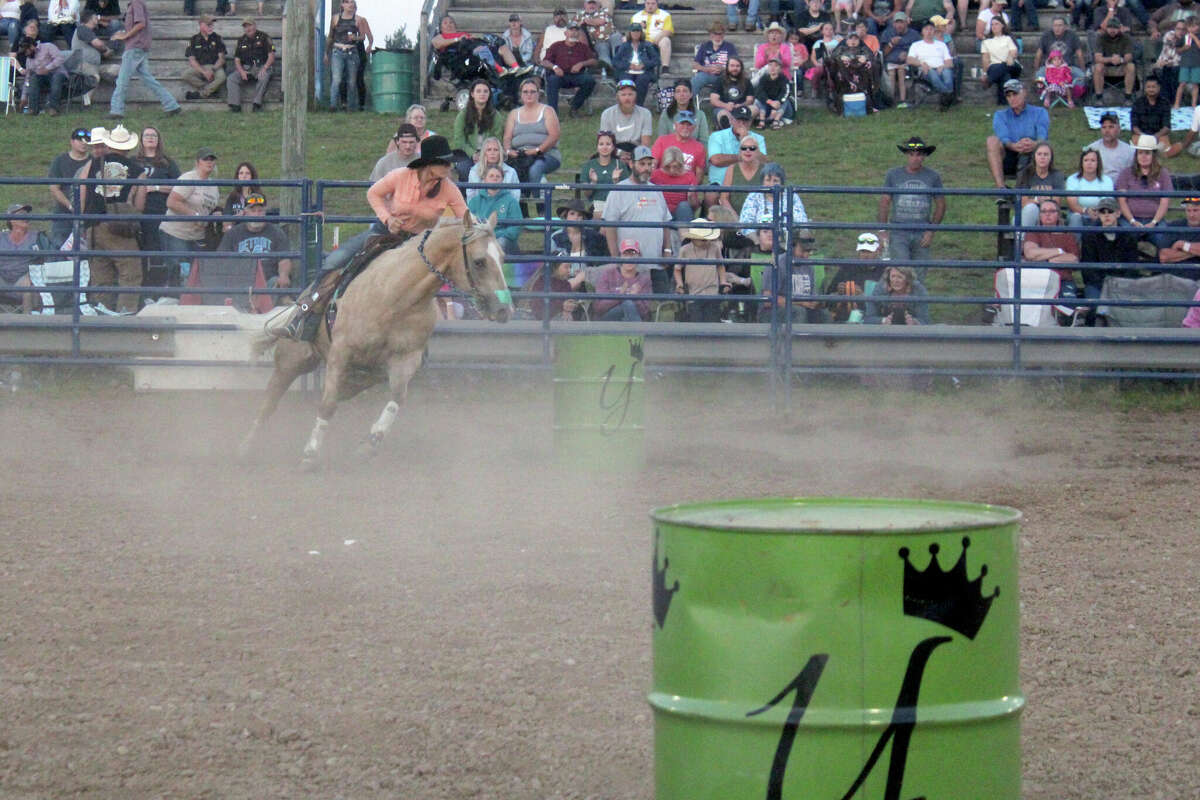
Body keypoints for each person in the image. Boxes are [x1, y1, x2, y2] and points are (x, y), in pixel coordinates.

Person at [283, 136, 468, 341]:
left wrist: (480, 229)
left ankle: (415, 340)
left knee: (421, 286)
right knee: (336, 261)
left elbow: (465, 216)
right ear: (429, 165)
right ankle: (305, 314)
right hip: (385, 233)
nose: (449, 166)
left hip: (417, 243)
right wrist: (388, 219)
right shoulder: (400, 176)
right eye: (444, 162)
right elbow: (373, 193)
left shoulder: (449, 188)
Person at [76, 125, 148, 313]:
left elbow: (82, 191)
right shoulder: (137, 170)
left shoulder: (92, 164)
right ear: (128, 147)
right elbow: (139, 205)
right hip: (119, 225)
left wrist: (84, 218)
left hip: (93, 224)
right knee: (130, 272)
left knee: (101, 274)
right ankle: (126, 313)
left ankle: (100, 314)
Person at [200, 192, 293, 309]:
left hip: (267, 282)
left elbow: (284, 259)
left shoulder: (276, 232)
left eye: (260, 211)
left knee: (276, 281)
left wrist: (284, 275)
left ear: (265, 212)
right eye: (253, 211)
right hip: (240, 282)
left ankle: (258, 308)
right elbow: (222, 260)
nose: (257, 214)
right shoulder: (233, 233)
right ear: (246, 212)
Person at [602, 145, 671, 293]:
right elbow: (610, 226)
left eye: (649, 164)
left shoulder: (657, 191)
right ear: (631, 164)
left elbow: (665, 223)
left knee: (665, 306)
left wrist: (667, 249)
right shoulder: (619, 190)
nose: (646, 168)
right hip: (630, 266)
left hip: (656, 263)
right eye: (642, 164)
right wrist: (616, 258)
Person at [879, 136, 945, 274]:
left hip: (922, 231)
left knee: (919, 274)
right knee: (901, 272)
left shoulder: (933, 176)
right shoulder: (893, 175)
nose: (915, 158)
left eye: (919, 154)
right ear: (906, 155)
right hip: (899, 230)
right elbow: (884, 202)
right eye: (911, 154)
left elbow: (941, 204)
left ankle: (917, 296)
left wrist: (931, 231)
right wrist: (882, 230)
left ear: (924, 156)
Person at [158, 146, 220, 287]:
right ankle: (174, 301)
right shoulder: (189, 178)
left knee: (194, 275)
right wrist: (195, 215)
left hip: (196, 236)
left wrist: (216, 213)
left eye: (212, 160)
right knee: (179, 272)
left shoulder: (213, 186)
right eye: (206, 159)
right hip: (176, 233)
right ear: (198, 162)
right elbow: (172, 201)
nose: (209, 162)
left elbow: (210, 207)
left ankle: (189, 302)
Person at [108, 0, 181, 118]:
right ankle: (171, 105)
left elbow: (141, 23)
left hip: (134, 46)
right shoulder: (136, 4)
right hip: (139, 46)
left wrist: (125, 36)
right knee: (148, 79)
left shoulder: (136, 3)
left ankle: (116, 110)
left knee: (122, 80)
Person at [135, 126, 180, 282]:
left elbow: (180, 187)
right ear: (141, 140)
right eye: (146, 135)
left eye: (154, 135)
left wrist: (155, 187)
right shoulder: (134, 162)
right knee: (142, 252)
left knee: (160, 252)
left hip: (162, 213)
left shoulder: (167, 163)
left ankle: (163, 285)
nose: (150, 138)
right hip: (139, 213)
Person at [986, 80, 1050, 189]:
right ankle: (1001, 189)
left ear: (1024, 93)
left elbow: (1042, 135)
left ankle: (1025, 189)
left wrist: (1034, 144)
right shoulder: (1000, 115)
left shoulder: (1040, 112)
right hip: (1009, 153)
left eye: (1015, 94)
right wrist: (1013, 145)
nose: (1012, 98)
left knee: (1043, 146)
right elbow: (1003, 137)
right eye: (1008, 96)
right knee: (992, 140)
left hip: (1032, 152)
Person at [1079, 195, 1139, 311]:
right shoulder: (1089, 236)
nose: (1106, 215)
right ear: (1098, 215)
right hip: (1097, 284)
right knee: (1095, 307)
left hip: (1122, 283)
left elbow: (1132, 266)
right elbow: (1087, 269)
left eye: (1110, 211)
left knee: (1128, 308)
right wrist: (1104, 284)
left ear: (1118, 213)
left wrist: (1118, 283)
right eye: (1102, 212)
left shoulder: (1129, 236)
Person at [502, 77, 563, 191]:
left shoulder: (547, 111)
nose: (529, 94)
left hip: (546, 154)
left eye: (532, 92)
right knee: (512, 171)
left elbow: (554, 136)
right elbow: (507, 138)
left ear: (538, 93)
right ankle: (521, 206)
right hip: (520, 156)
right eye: (525, 92)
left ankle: (540, 205)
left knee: (535, 169)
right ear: (520, 94)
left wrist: (537, 150)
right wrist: (509, 151)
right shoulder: (514, 114)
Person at [433, 14, 527, 78]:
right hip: (462, 54)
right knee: (481, 49)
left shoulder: (463, 33)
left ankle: (516, 68)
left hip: (475, 46)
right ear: (441, 28)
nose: (449, 24)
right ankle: (499, 70)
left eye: (451, 22)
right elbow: (437, 44)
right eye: (445, 23)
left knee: (501, 46)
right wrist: (458, 39)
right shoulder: (441, 36)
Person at [736, 162, 809, 244]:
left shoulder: (792, 196)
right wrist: (758, 243)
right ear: (762, 182)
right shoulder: (754, 196)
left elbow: (801, 222)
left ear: (782, 183)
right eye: (768, 180)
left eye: (776, 181)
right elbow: (746, 224)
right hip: (758, 241)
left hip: (787, 241)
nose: (771, 184)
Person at [451, 79, 506, 182]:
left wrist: (484, 154)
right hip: (467, 154)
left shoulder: (496, 116)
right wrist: (473, 154)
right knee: (464, 169)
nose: (482, 94)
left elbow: (497, 139)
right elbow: (459, 141)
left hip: (489, 153)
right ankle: (465, 196)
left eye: (485, 91)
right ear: (472, 94)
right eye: (478, 91)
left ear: (489, 94)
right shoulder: (462, 115)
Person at [1116, 135, 1173, 233]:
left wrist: (1154, 222)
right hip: (1129, 220)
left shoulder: (1163, 174)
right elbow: (1122, 201)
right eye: (1140, 153)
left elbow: (1165, 202)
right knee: (1127, 236)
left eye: (1147, 153)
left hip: (1155, 220)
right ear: (1136, 155)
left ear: (1153, 156)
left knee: (1162, 239)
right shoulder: (1126, 173)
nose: (1143, 156)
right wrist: (1132, 221)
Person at [47, 127, 92, 247]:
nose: (84, 142)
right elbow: (54, 188)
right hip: (63, 216)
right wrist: (70, 206)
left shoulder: (94, 161)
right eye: (79, 139)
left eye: (87, 140)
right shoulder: (60, 161)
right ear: (71, 141)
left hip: (88, 216)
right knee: (59, 251)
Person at [675, 221, 729, 321]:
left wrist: (723, 282)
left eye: (708, 239)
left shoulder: (715, 248)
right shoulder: (685, 250)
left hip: (712, 292)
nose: (706, 241)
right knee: (696, 320)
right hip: (693, 292)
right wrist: (679, 284)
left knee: (712, 319)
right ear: (693, 238)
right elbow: (677, 269)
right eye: (703, 239)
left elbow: (720, 266)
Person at [541, 21, 598, 117]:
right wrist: (555, 67)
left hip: (577, 75)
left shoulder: (583, 47)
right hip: (560, 75)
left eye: (576, 30)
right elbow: (545, 61)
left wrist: (582, 63)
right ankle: (553, 113)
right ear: (565, 33)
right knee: (552, 80)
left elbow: (594, 61)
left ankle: (574, 107)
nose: (574, 33)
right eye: (571, 30)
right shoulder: (556, 46)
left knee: (590, 81)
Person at [466, 164, 524, 254]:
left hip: (502, 241)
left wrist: (494, 236)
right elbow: (467, 225)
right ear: (484, 179)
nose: (495, 178)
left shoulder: (511, 201)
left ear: (502, 180)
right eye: (491, 176)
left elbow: (515, 228)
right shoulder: (475, 201)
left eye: (498, 176)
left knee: (499, 243)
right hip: (479, 239)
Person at [325, 0, 370, 112]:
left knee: (352, 81)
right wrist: (326, 52)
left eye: (352, 2)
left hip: (352, 52)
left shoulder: (358, 20)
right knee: (337, 79)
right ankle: (333, 106)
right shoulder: (335, 19)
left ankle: (351, 107)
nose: (350, 5)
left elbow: (363, 36)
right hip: (337, 51)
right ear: (342, 5)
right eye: (347, 2)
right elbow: (331, 36)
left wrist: (355, 37)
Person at [593, 239, 652, 321]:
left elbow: (645, 312)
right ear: (620, 256)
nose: (629, 258)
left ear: (639, 257)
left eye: (633, 254)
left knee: (628, 306)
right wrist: (620, 295)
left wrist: (635, 298)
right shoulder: (607, 274)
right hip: (609, 318)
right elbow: (599, 308)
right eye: (625, 254)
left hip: (632, 318)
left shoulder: (644, 279)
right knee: (628, 303)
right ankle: (639, 333)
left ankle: (634, 332)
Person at [0, 203, 43, 314]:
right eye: (21, 214)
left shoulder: (36, 237)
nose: (26, 216)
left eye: (27, 214)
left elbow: (45, 261)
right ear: (11, 220)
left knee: (29, 282)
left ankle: (26, 323)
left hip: (23, 281)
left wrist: (31, 275)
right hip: (2, 280)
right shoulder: (1, 237)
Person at [708, 106, 767, 185]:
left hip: (748, 184)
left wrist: (745, 140)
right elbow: (716, 160)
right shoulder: (717, 136)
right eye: (738, 120)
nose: (741, 124)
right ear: (731, 120)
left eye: (745, 121)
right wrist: (745, 156)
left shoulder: (759, 138)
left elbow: (764, 162)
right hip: (719, 183)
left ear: (750, 122)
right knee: (711, 196)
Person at [226, 17, 274, 112]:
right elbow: (237, 59)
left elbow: (271, 56)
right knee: (231, 78)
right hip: (246, 68)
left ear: (255, 26)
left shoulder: (264, 37)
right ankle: (235, 106)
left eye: (250, 25)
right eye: (245, 26)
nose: (248, 28)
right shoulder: (241, 40)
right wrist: (241, 71)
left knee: (264, 76)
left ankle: (257, 104)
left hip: (261, 66)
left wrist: (264, 68)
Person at [69, 10, 115, 106]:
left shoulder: (90, 33)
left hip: (94, 65)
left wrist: (110, 48)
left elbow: (101, 52)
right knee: (94, 77)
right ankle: (86, 103)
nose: (97, 20)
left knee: (117, 70)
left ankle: (116, 101)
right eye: (95, 18)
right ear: (90, 19)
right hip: (82, 64)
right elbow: (98, 44)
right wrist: (107, 49)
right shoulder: (82, 29)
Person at [1015, 141, 1065, 230]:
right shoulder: (1025, 174)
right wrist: (1042, 199)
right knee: (1031, 209)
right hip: (1027, 215)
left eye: (1046, 155)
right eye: (1039, 154)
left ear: (1051, 158)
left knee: (1048, 212)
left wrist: (1035, 200)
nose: (1042, 157)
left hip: (1049, 213)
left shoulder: (1057, 175)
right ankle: (1025, 241)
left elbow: (1056, 202)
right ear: (1034, 157)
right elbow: (1024, 202)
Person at [828, 27, 878, 113]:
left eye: (855, 39)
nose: (853, 41)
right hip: (844, 76)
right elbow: (832, 58)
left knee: (870, 68)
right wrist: (840, 58)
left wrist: (865, 58)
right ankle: (841, 107)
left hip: (861, 75)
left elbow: (871, 57)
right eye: (850, 38)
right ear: (846, 40)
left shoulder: (863, 49)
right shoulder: (841, 49)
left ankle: (868, 106)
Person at [524, 253, 587, 320]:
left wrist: (573, 306)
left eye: (570, 267)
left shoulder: (566, 284)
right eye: (566, 267)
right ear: (555, 267)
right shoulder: (541, 283)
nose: (569, 271)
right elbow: (539, 308)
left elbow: (569, 302)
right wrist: (561, 306)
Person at [578, 130, 630, 212]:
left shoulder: (620, 165)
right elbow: (586, 194)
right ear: (597, 147)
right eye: (601, 144)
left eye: (608, 144)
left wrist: (616, 182)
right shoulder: (589, 165)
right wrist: (593, 182)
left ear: (613, 147)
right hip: (596, 205)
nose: (604, 147)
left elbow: (626, 193)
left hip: (616, 204)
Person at [18, 36, 67, 116]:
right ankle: (33, 109)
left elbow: (60, 59)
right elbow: (27, 78)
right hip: (41, 78)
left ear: (32, 47)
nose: (25, 54)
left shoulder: (48, 46)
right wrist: (23, 97)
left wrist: (47, 68)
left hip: (57, 73)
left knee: (56, 78)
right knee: (33, 78)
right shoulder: (29, 59)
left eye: (26, 52)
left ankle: (54, 108)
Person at [1034, 16, 1086, 92]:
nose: (1057, 28)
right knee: (1039, 76)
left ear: (1065, 27)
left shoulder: (1072, 36)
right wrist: (1036, 70)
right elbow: (1038, 54)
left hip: (1068, 67)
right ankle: (1046, 95)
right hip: (1049, 67)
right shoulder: (1046, 35)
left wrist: (1083, 69)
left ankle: (1072, 96)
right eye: (1055, 25)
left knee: (1081, 76)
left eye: (1060, 25)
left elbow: (1080, 54)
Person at [1065, 148, 1113, 229]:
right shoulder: (1072, 179)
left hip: (1100, 214)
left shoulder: (1107, 180)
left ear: (1098, 163)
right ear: (1081, 163)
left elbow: (1107, 203)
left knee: (1107, 217)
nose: (1089, 163)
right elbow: (1072, 205)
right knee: (1075, 217)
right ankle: (1076, 242)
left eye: (1093, 160)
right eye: (1086, 160)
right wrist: (1086, 211)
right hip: (1079, 213)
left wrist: (1098, 212)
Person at [651, 145, 700, 226]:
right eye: (668, 167)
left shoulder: (689, 176)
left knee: (684, 206)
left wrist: (691, 197)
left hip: (680, 213)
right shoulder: (655, 175)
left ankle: (685, 237)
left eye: (675, 167)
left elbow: (694, 207)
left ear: (681, 165)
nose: (671, 170)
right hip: (661, 212)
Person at [865, 265, 931, 324]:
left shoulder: (918, 290)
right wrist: (883, 320)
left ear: (907, 279)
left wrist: (915, 322)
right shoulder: (881, 288)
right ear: (888, 278)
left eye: (900, 277)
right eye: (893, 276)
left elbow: (925, 321)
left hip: (910, 332)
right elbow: (868, 319)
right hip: (885, 331)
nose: (896, 281)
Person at [1090, 16, 1135, 102]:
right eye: (1110, 27)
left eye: (1115, 27)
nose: (1112, 30)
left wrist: (1121, 60)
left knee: (1131, 66)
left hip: (1121, 66)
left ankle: (1128, 97)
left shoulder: (1126, 38)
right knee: (1098, 67)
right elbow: (1097, 58)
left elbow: (1129, 56)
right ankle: (1099, 98)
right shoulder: (1101, 38)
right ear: (1106, 28)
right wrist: (1111, 59)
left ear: (1119, 28)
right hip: (1105, 67)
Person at [181, 13, 226, 101]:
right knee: (186, 75)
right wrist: (204, 72)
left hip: (215, 66)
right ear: (201, 24)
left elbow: (222, 59)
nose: (211, 27)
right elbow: (192, 60)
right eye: (208, 25)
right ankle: (211, 90)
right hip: (201, 67)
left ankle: (201, 94)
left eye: (212, 25)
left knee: (222, 77)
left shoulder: (217, 38)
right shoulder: (194, 39)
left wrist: (212, 70)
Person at [651, 110, 706, 180]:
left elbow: (699, 176)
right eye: (682, 123)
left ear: (694, 127)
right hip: (662, 184)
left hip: (685, 187)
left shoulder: (699, 147)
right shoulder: (662, 141)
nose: (685, 127)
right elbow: (653, 165)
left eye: (689, 124)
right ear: (675, 125)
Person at [612, 23, 659, 105]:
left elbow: (656, 60)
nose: (635, 33)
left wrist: (644, 65)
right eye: (633, 31)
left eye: (638, 31)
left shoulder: (647, 45)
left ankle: (638, 106)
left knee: (641, 81)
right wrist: (628, 65)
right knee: (626, 82)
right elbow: (615, 61)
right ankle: (625, 105)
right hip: (627, 71)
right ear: (630, 33)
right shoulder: (624, 46)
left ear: (641, 33)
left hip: (644, 71)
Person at [880, 11, 920, 107]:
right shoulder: (887, 33)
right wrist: (891, 44)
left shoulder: (914, 34)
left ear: (906, 23)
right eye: (897, 22)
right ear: (893, 23)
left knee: (901, 70)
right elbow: (883, 53)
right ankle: (891, 100)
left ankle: (902, 100)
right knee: (892, 72)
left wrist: (908, 54)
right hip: (890, 62)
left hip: (907, 63)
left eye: (901, 22)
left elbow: (920, 50)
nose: (899, 25)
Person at [720, 135, 766, 215]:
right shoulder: (732, 169)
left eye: (752, 148)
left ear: (758, 151)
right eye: (744, 148)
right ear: (740, 152)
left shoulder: (765, 170)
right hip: (734, 217)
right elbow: (724, 198)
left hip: (760, 216)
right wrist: (734, 217)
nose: (747, 150)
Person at [1154, 195, 1200, 275]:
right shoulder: (1175, 226)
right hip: (1172, 276)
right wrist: (1194, 250)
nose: (1191, 215)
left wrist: (1183, 245)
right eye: (1188, 211)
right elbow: (1164, 257)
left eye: (1195, 210)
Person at [550, 198, 607, 263]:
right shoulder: (555, 237)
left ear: (583, 218)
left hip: (588, 272)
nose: (575, 217)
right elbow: (553, 265)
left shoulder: (594, 236)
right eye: (572, 214)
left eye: (579, 215)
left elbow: (604, 259)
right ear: (565, 216)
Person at [906, 21, 955, 96]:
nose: (929, 32)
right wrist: (921, 64)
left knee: (947, 73)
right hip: (926, 70)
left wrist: (942, 66)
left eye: (931, 29)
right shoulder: (916, 45)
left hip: (941, 68)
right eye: (926, 29)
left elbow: (950, 62)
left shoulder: (942, 45)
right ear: (922, 31)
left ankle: (946, 96)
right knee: (932, 74)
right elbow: (909, 60)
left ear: (934, 31)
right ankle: (948, 95)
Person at [693, 21, 739, 100]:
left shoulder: (729, 47)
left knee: (733, 80)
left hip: (725, 75)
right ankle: (689, 105)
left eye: (720, 34)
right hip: (707, 74)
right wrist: (706, 69)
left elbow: (737, 64)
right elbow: (695, 64)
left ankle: (729, 105)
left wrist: (723, 69)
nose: (718, 37)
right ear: (711, 35)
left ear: (723, 34)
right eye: (715, 34)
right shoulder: (704, 46)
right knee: (697, 79)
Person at [600, 79, 653, 147]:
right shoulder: (607, 114)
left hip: (637, 150)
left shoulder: (645, 114)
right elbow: (605, 142)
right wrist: (619, 153)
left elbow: (645, 144)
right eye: (623, 95)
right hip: (614, 150)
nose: (627, 98)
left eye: (630, 94)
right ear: (617, 96)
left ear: (635, 95)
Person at [980, 17, 1021, 104]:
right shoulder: (986, 42)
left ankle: (990, 80)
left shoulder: (1008, 39)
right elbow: (985, 58)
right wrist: (984, 73)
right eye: (992, 24)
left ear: (1002, 26)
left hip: (1011, 65)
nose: (994, 26)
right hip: (995, 66)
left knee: (1005, 66)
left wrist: (1010, 57)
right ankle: (1003, 102)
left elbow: (1014, 51)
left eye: (996, 24)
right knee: (1005, 76)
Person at [467, 136, 520, 203]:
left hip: (505, 210)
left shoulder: (511, 172)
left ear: (500, 153)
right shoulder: (474, 171)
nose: (492, 153)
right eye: (489, 150)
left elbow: (515, 197)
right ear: (484, 153)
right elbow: (471, 198)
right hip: (481, 210)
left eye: (495, 150)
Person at [1085, 112, 1134, 180]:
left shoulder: (1130, 151)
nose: (1107, 131)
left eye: (1111, 127)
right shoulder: (1092, 149)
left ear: (1119, 129)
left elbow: (1131, 176)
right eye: (1104, 127)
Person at [573, 0, 620, 72]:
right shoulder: (579, 14)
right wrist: (581, 23)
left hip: (612, 35)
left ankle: (619, 65)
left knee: (616, 37)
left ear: (598, 5)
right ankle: (609, 71)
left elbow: (601, 21)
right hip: (598, 41)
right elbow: (573, 27)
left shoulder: (604, 12)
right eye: (589, 4)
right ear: (585, 5)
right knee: (603, 51)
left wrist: (585, 21)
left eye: (594, 4)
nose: (592, 6)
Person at [710, 55, 755, 128]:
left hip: (741, 109)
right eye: (732, 66)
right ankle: (731, 126)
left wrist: (742, 105)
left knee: (754, 109)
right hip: (724, 108)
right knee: (723, 114)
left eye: (737, 66)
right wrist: (726, 105)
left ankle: (740, 125)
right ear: (727, 67)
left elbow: (750, 99)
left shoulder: (746, 81)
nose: (735, 68)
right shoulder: (720, 80)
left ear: (741, 68)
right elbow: (713, 100)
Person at [1131, 75, 1172, 152]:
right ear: (1145, 88)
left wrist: (1155, 136)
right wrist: (1143, 136)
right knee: (1134, 147)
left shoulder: (1165, 103)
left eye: (1153, 87)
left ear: (1159, 88)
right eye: (1148, 87)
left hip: (1158, 135)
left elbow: (1167, 127)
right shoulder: (1137, 103)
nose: (1151, 89)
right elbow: (1134, 126)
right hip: (1141, 134)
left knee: (1166, 149)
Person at [631, 0, 673, 74]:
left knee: (666, 40)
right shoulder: (636, 16)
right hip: (640, 40)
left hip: (657, 40)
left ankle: (665, 67)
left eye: (653, 4)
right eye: (648, 3)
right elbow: (631, 32)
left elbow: (668, 31)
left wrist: (656, 39)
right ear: (645, 4)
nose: (650, 6)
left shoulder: (665, 15)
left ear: (657, 4)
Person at [752, 57, 793, 128]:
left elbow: (786, 92)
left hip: (781, 108)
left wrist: (778, 102)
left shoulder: (784, 79)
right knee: (758, 99)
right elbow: (759, 92)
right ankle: (762, 120)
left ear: (780, 69)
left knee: (785, 100)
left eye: (776, 66)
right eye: (770, 65)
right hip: (768, 106)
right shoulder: (763, 78)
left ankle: (776, 121)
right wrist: (770, 102)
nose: (772, 68)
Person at [753, 21, 795, 86]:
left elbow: (788, 63)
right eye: (772, 33)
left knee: (772, 67)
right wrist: (765, 56)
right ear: (768, 36)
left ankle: (752, 84)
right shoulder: (762, 47)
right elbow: (758, 65)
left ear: (781, 36)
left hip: (782, 74)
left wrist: (780, 56)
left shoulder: (785, 47)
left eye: (777, 33)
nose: (774, 35)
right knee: (767, 68)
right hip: (765, 76)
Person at [222, 160, 260, 224]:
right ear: (238, 176)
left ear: (252, 176)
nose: (244, 176)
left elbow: (261, 217)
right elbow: (226, 220)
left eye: (247, 173)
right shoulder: (232, 197)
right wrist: (239, 216)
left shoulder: (259, 196)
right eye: (241, 173)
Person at [1175, 16, 1200, 109]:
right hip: (1185, 64)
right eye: (1191, 26)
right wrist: (1183, 48)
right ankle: (1177, 103)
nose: (1194, 28)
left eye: (1196, 25)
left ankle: (1193, 104)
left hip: (1197, 64)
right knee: (1182, 83)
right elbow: (1177, 50)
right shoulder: (1184, 37)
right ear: (1187, 27)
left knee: (1195, 84)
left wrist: (1194, 37)